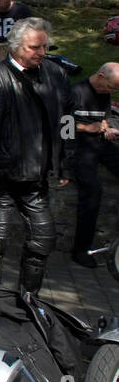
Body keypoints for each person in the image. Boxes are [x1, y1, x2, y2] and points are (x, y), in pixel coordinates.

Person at [0, 17, 73, 295]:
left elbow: (67, 121)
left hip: (36, 178)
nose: (41, 53)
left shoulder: (55, 75)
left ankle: (29, 299)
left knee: (43, 239)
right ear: (15, 46)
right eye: (34, 47)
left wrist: (63, 163)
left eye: (44, 47)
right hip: (1, 179)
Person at [69, 62, 119, 267]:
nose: (112, 91)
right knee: (92, 191)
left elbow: (104, 119)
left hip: (101, 143)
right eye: (111, 87)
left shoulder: (103, 93)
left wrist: (107, 128)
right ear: (100, 76)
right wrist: (86, 127)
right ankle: (81, 250)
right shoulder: (75, 92)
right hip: (79, 147)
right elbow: (62, 127)